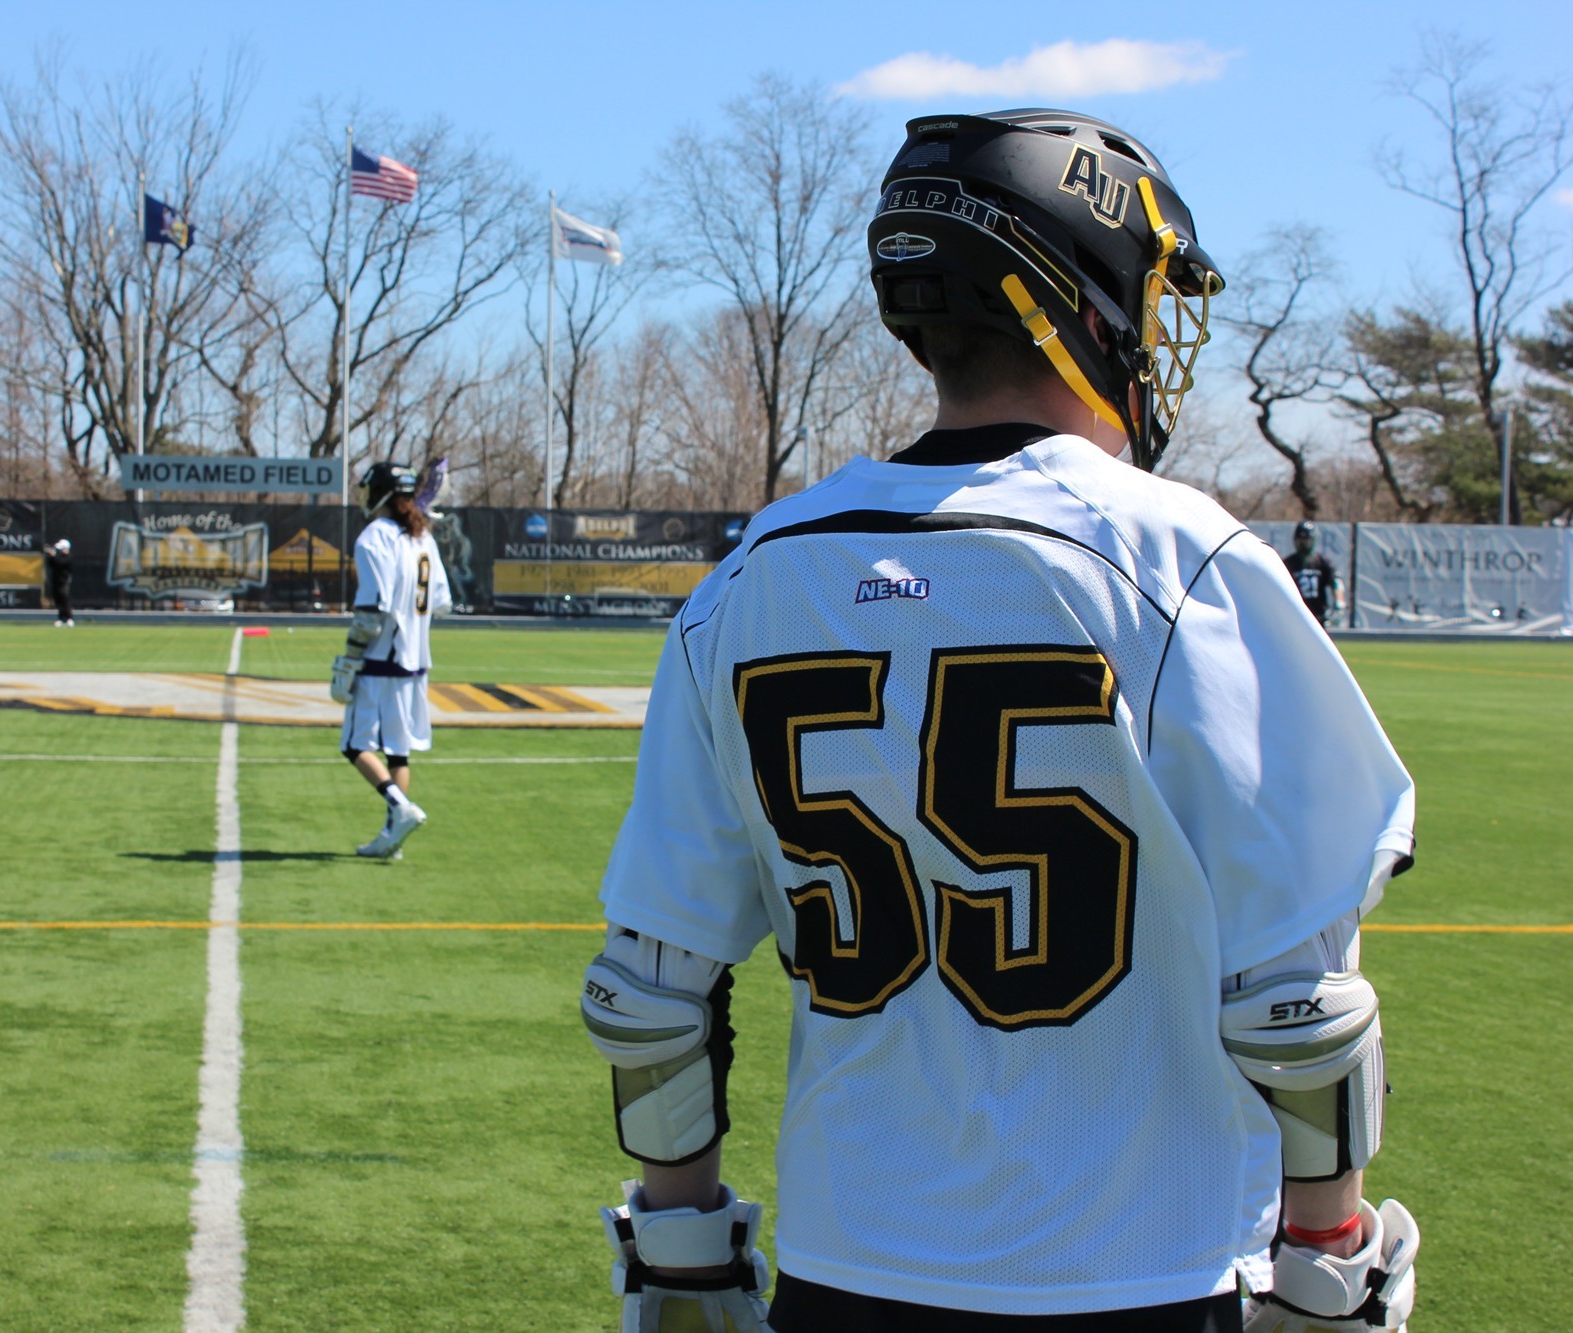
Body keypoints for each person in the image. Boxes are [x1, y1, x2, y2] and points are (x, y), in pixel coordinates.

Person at [582, 109, 1420, 1333]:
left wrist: (681, 1249)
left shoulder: (755, 571)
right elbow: (1302, 990)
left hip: (847, 1268)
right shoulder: (1178, 557)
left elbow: (652, 982)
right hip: (1147, 1273)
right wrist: (1328, 1253)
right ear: (1079, 298)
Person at [331, 461, 452, 859]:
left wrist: (351, 657)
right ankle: (392, 837)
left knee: (354, 745)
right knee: (398, 750)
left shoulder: (375, 537)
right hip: (415, 662)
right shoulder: (423, 538)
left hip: (381, 659)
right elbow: (441, 602)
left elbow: (371, 609)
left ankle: (400, 807)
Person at [1284, 521, 1342, 626]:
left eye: (1307, 541)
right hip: (1296, 617)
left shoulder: (1322, 562)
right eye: (1301, 541)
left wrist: (1339, 603)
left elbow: (1336, 583)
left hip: (1319, 618)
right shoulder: (1288, 563)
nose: (1304, 544)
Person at [45, 538, 75, 627]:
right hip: (55, 581)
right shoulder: (58, 556)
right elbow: (52, 564)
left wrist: (54, 555)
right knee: (58, 600)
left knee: (65, 599)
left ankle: (69, 618)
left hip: (64, 581)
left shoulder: (69, 556)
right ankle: (61, 618)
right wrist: (50, 556)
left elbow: (61, 563)